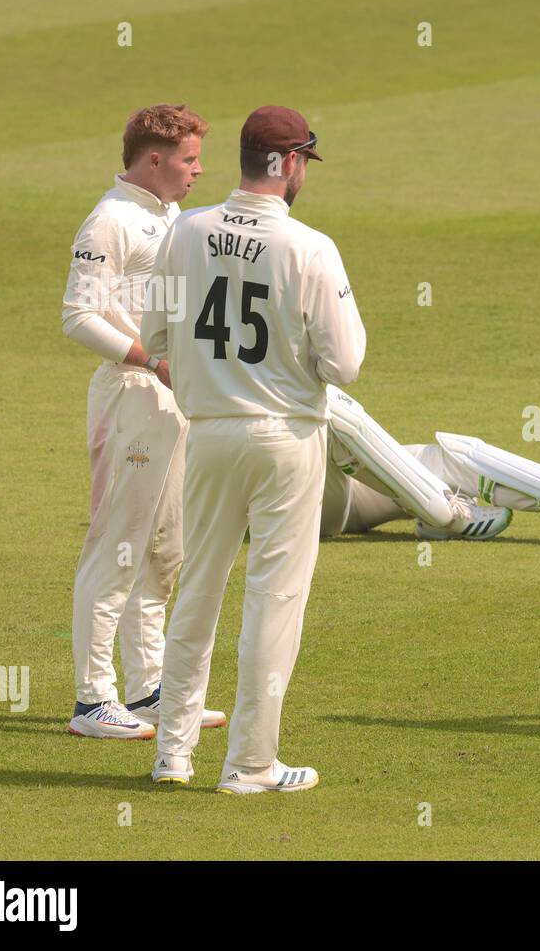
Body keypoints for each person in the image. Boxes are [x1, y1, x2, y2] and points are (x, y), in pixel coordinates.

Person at [140, 106, 364, 793]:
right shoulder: (311, 247)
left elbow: (154, 339)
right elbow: (346, 363)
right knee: (274, 600)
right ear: (291, 163)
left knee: (197, 591)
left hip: (207, 435)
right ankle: (250, 765)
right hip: (286, 438)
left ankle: (172, 754)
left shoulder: (186, 233)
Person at [62, 103, 226, 739]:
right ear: (153, 159)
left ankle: (150, 689)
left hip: (174, 395)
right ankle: (91, 699)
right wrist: (151, 360)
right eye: (188, 159)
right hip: (132, 394)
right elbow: (78, 316)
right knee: (117, 546)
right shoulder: (109, 221)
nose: (197, 170)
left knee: (163, 551)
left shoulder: (171, 217)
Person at [321, 385, 540, 544]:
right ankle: (445, 514)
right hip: (306, 507)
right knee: (333, 406)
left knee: (454, 457)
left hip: (342, 489)